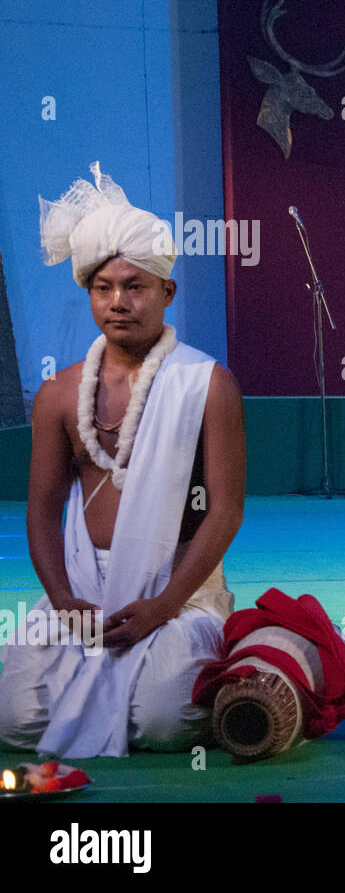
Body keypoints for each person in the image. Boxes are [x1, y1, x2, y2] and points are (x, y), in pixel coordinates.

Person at [0, 163, 246, 758]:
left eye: (135, 286)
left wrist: (163, 606)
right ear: (88, 292)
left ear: (167, 291)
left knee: (164, 722)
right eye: (103, 287)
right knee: (12, 716)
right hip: (81, 591)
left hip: (179, 587)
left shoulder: (207, 384)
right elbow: (42, 514)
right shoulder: (60, 393)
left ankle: (223, 660)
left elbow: (225, 513)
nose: (118, 302)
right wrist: (63, 602)